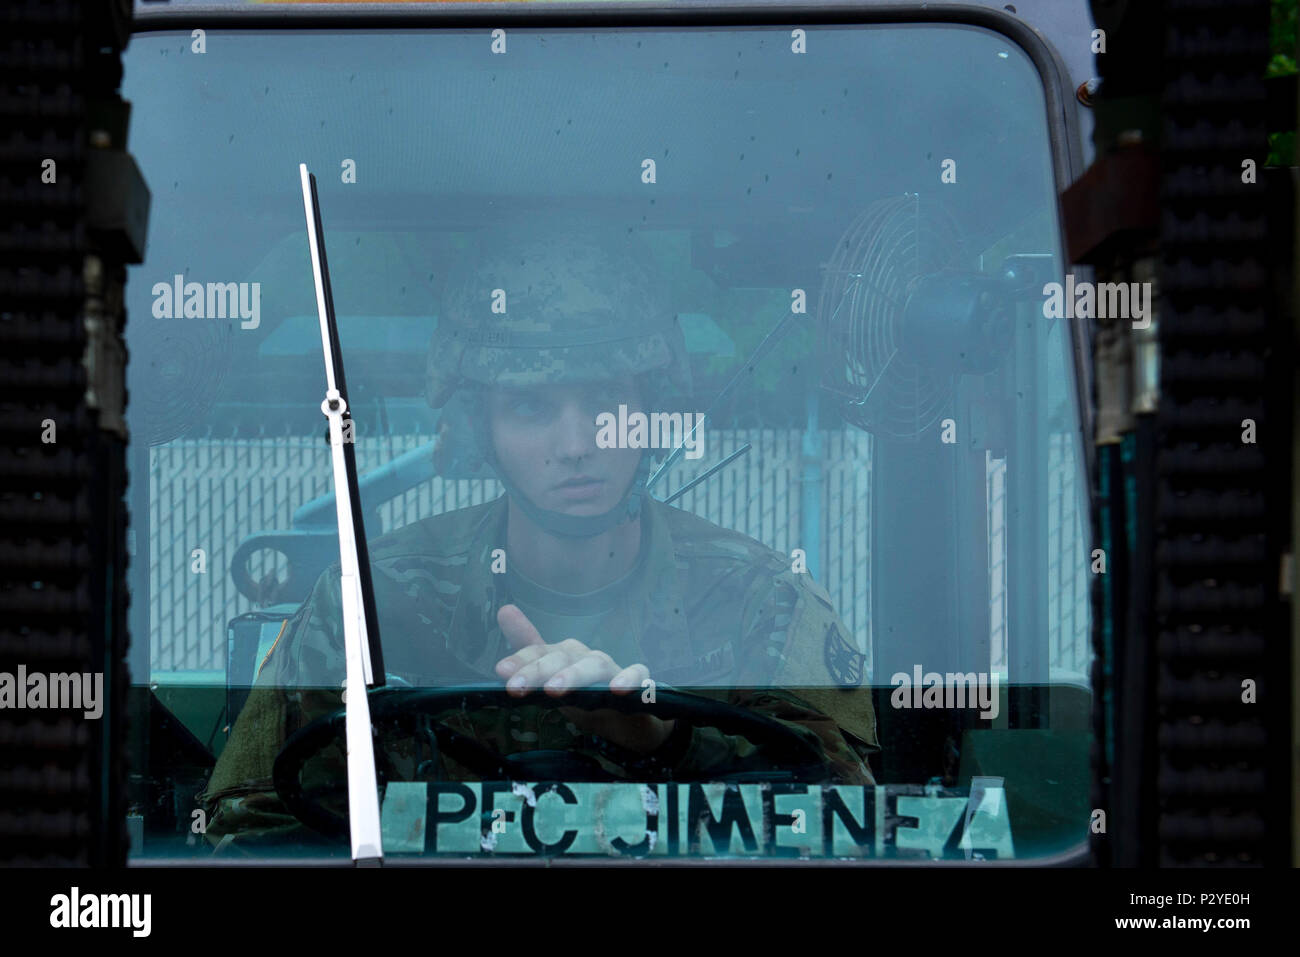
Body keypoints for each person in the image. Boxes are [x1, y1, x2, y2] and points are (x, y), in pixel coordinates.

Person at [199, 228, 879, 851]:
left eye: (605, 401)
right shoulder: (369, 606)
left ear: (651, 410)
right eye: (531, 405)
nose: (577, 444)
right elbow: (247, 835)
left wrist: (669, 741)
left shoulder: (763, 602)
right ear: (476, 428)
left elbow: (851, 826)